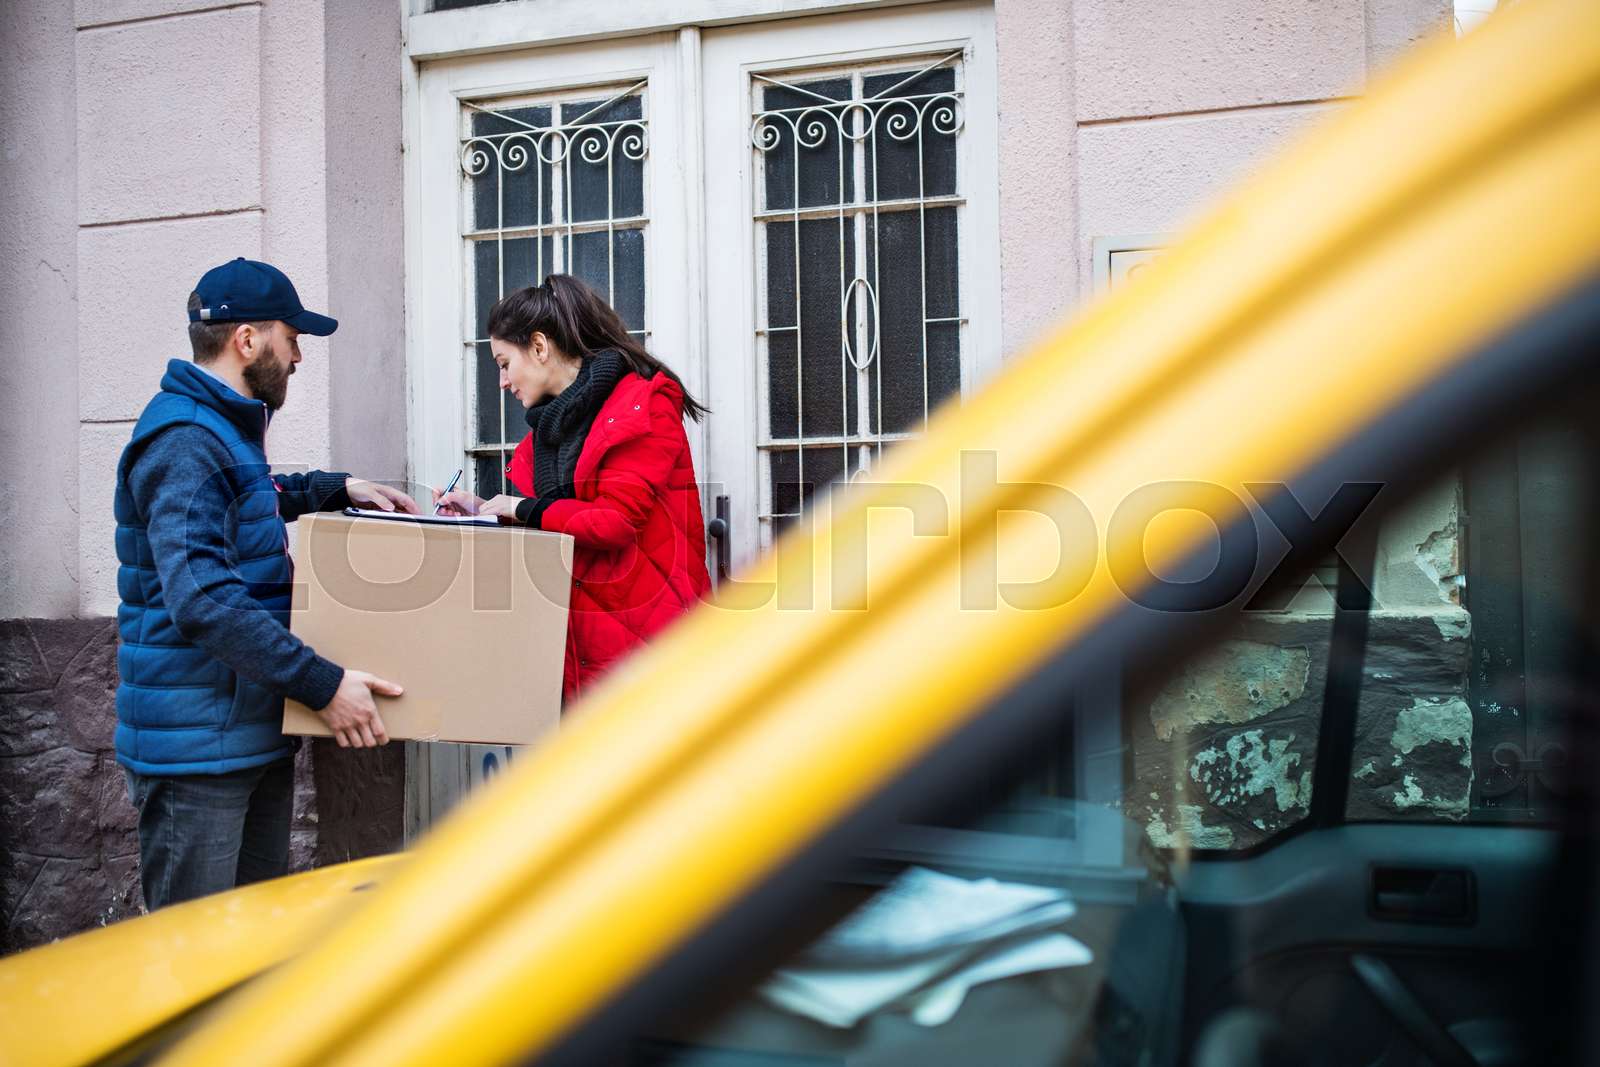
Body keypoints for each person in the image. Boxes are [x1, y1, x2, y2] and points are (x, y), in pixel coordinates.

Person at [114, 257, 418, 911]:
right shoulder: (185, 440)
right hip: (199, 756)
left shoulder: (221, 432)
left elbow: (246, 499)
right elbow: (203, 599)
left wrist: (331, 489)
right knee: (190, 968)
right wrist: (324, 683)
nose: (300, 355)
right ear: (247, 340)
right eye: (293, 336)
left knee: (248, 955)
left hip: (245, 734)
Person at [436, 274, 712, 701]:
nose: (502, 382)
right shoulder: (545, 436)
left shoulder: (643, 408)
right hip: (575, 655)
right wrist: (484, 511)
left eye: (504, 363)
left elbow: (614, 521)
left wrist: (521, 508)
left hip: (647, 654)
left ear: (541, 347)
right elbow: (559, 532)